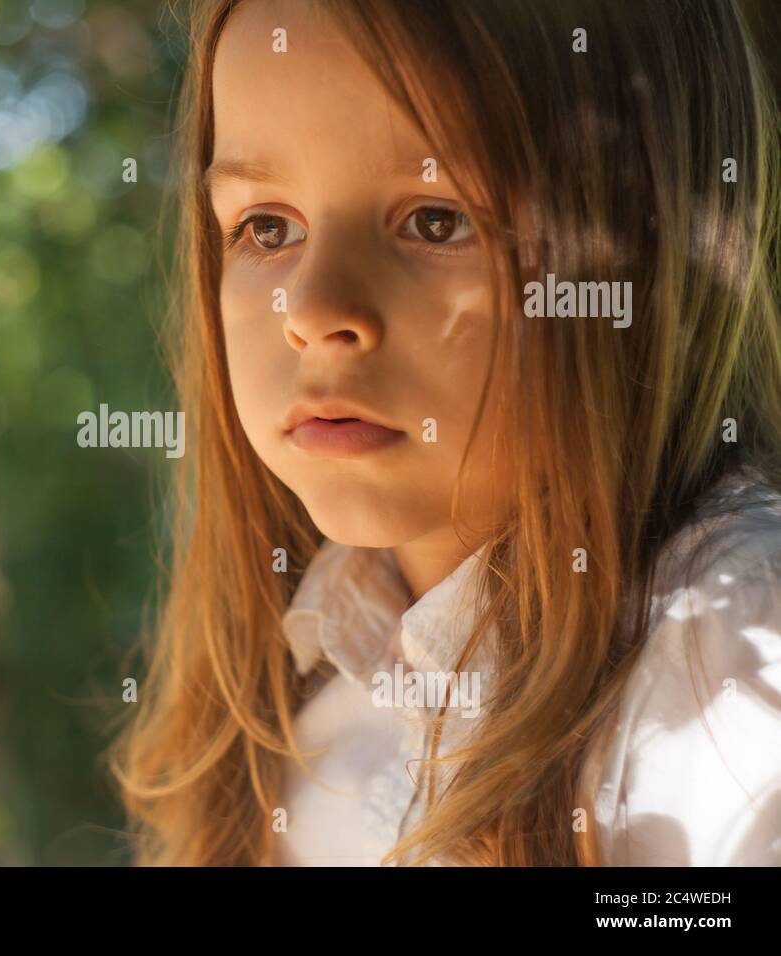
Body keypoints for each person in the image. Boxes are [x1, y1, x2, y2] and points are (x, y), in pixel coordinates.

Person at [108, 0, 781, 866]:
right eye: (267, 226)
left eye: (436, 219)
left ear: (650, 260)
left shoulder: (729, 665)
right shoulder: (297, 702)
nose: (312, 312)